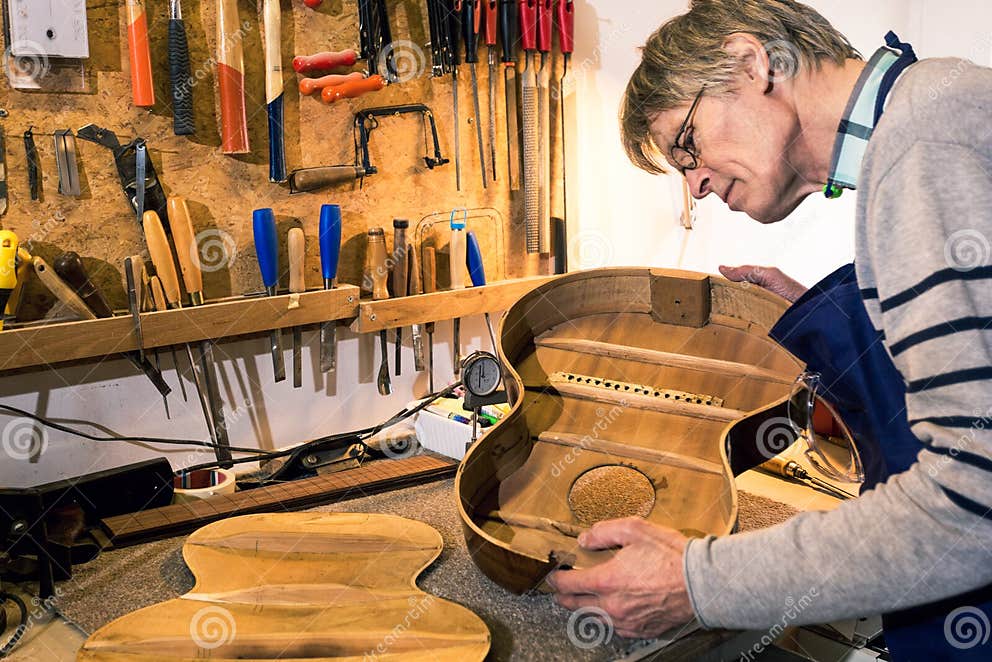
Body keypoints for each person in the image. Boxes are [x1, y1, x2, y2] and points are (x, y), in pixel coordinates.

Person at [548, 1, 992, 659]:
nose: (695, 186)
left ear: (751, 63)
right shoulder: (925, 121)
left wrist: (696, 583)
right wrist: (840, 321)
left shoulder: (924, 145)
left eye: (687, 146)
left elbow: (971, 503)